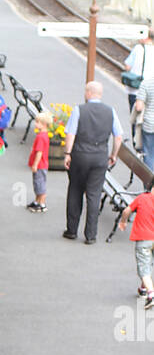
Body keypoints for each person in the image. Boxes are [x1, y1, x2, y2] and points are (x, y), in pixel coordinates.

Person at [62, 81, 123, 243]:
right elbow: (118, 137)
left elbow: (71, 134)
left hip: (80, 155)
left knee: (75, 190)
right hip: (100, 157)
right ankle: (91, 235)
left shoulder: (79, 110)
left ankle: (72, 230)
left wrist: (67, 153)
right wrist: (113, 155)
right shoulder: (110, 111)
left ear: (88, 93)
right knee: (94, 195)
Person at [118, 185, 154, 309]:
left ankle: (151, 294)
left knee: (143, 267)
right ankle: (143, 289)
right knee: (149, 264)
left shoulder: (142, 198)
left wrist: (123, 221)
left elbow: (126, 210)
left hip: (144, 239)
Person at [122, 27, 154, 136]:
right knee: (149, 116)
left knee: (135, 117)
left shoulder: (138, 49)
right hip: (151, 91)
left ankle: (137, 144)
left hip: (135, 89)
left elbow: (127, 66)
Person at [27, 110, 51, 212]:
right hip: (42, 165)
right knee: (38, 184)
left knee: (40, 185)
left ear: (44, 124)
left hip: (40, 165)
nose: (35, 124)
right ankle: (37, 201)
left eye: (37, 122)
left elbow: (39, 152)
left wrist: (35, 164)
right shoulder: (44, 135)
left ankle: (42, 204)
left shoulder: (41, 137)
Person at [133, 66, 154, 169]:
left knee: (149, 155)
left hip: (149, 125)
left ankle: (149, 184)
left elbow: (139, 107)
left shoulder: (146, 84)